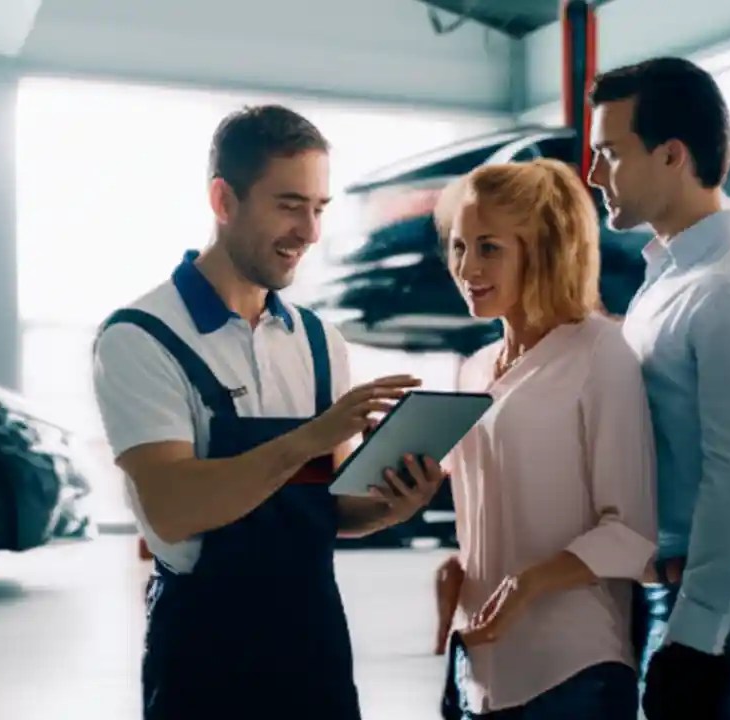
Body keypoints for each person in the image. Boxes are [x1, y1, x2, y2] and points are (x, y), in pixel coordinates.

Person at [91, 104, 446, 720]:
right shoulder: (140, 338)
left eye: (319, 208)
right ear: (223, 200)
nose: (309, 231)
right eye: (289, 205)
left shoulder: (318, 342)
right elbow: (173, 508)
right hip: (204, 648)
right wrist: (311, 437)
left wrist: (395, 503)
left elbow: (323, 509)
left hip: (313, 638)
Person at [586, 57, 730, 720]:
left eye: (609, 153)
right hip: (669, 592)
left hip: (723, 609)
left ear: (671, 156)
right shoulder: (670, 279)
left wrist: (695, 642)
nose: (594, 174)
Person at [431, 158, 659, 720]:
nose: (467, 267)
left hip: (572, 671)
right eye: (459, 247)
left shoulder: (601, 355)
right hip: (478, 670)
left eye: (489, 248)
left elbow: (630, 531)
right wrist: (460, 568)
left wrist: (529, 583)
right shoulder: (476, 368)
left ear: (543, 251)